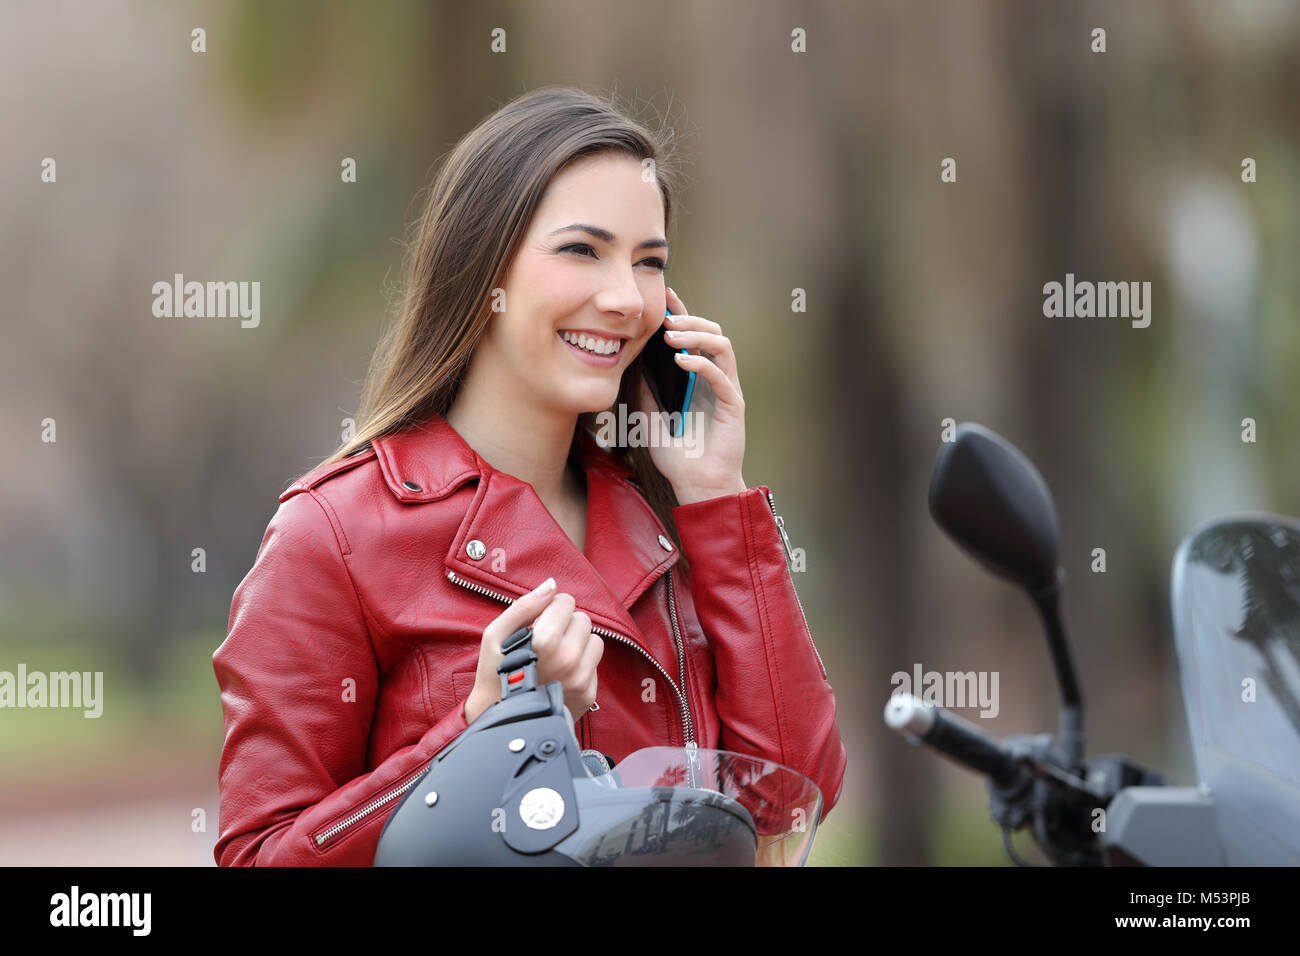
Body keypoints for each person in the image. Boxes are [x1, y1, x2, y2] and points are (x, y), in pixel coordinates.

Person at [212, 86, 847, 866]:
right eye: (582, 250)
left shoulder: (671, 523)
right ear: (485, 271)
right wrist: (485, 733)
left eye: (650, 263)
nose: (622, 298)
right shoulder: (336, 534)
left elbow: (790, 798)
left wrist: (718, 499)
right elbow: (261, 857)